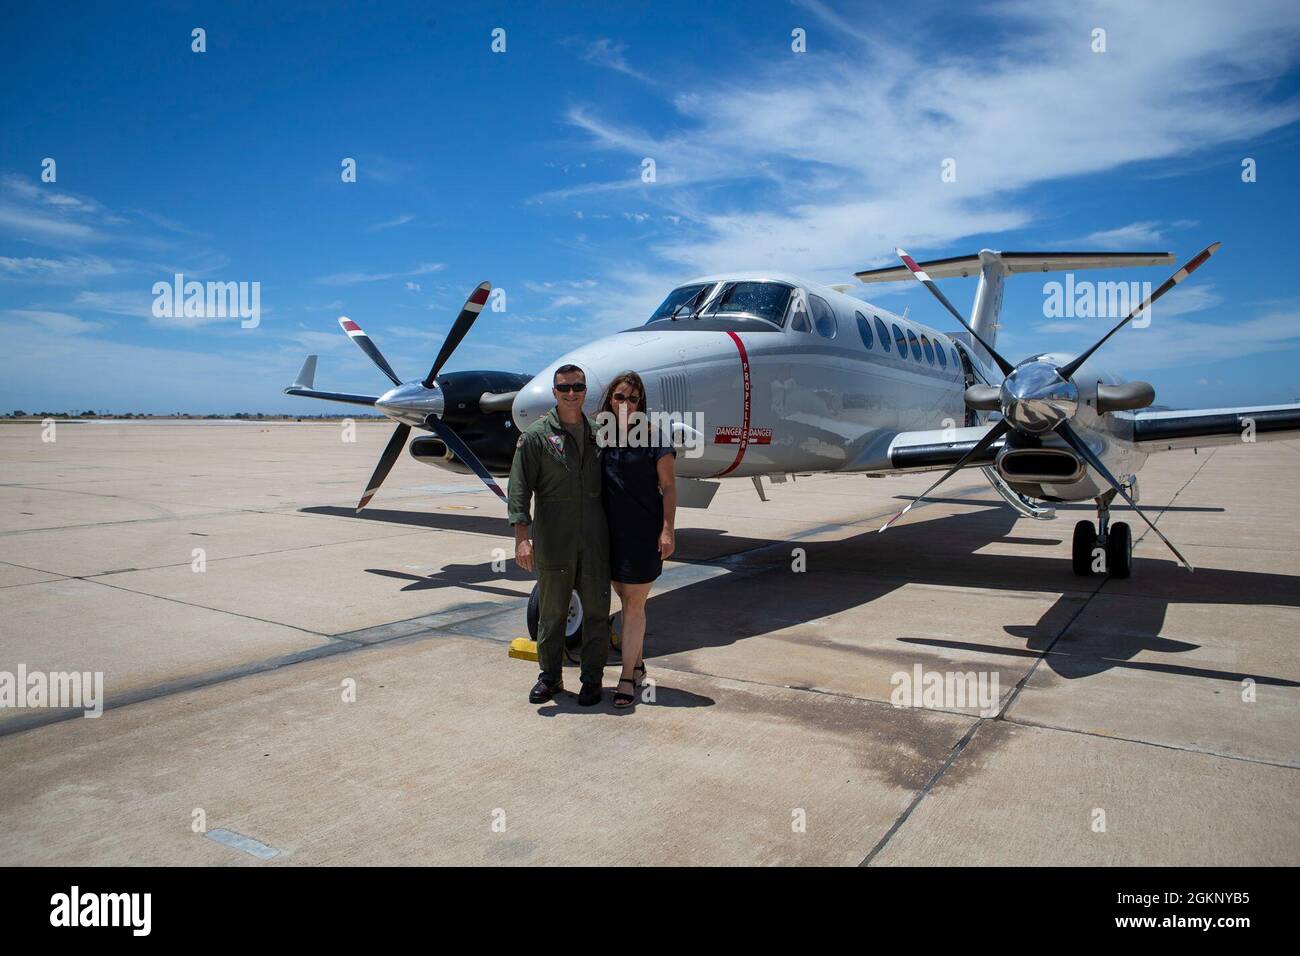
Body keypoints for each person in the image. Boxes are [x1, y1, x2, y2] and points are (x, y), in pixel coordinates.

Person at [507, 365, 611, 707]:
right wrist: (522, 536)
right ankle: (550, 677)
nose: (571, 393)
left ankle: (592, 681)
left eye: (577, 387)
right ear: (555, 392)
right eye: (564, 388)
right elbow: (519, 488)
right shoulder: (536, 436)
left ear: (585, 391)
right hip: (553, 537)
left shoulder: (599, 434)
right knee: (552, 614)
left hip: (595, 538)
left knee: (597, 612)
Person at [597, 371, 677, 709]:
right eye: (619, 397)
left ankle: (627, 677)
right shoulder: (602, 437)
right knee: (623, 597)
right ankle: (638, 664)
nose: (626, 404)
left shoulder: (655, 437)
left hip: (643, 534)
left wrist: (668, 529)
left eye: (632, 398)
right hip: (607, 534)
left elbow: (669, 487)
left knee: (633, 604)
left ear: (641, 402)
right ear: (610, 400)